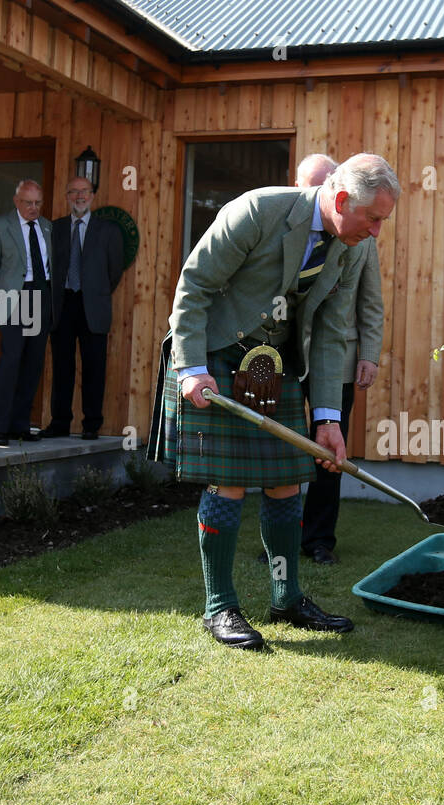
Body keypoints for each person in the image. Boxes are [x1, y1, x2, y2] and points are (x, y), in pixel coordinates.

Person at [152, 153, 400, 650]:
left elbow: (331, 330)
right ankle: (219, 607)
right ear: (343, 199)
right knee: (229, 485)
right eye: (373, 218)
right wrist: (192, 368)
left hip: (277, 361)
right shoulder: (258, 211)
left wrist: (328, 417)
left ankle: (286, 597)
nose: (376, 232)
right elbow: (195, 284)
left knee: (288, 482)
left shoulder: (350, 246)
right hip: (218, 353)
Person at [293, 154, 385, 565]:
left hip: (340, 356)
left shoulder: (361, 238)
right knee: (285, 449)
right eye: (308, 186)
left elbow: (370, 301)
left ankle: (318, 539)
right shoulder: (289, 229)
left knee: (330, 449)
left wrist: (368, 354)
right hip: (287, 356)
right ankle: (279, 535)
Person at [46, 175, 124, 440]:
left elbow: (114, 271)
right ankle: (59, 423)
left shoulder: (109, 230)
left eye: (85, 191)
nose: (79, 196)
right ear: (67, 196)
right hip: (62, 304)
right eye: (74, 192)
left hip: (94, 306)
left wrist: (96, 292)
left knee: (94, 368)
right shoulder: (54, 229)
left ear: (92, 195)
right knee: (61, 367)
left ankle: (91, 424)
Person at [0, 179, 52, 446]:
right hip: (12, 296)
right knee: (11, 360)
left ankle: (20, 425)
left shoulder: (47, 227)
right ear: (16, 201)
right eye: (28, 203)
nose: (33, 208)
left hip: (42, 296)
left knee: (33, 362)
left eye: (37, 203)